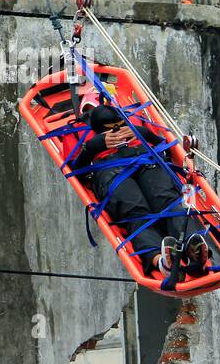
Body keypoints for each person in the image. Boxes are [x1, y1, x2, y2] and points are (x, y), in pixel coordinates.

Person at [62, 84, 208, 291]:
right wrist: (94, 146)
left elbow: (164, 148)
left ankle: (193, 246)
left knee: (169, 200)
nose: (117, 130)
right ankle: (160, 260)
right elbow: (76, 171)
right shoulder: (76, 134)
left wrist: (140, 133)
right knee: (136, 212)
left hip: (146, 161)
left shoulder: (134, 121)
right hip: (108, 171)